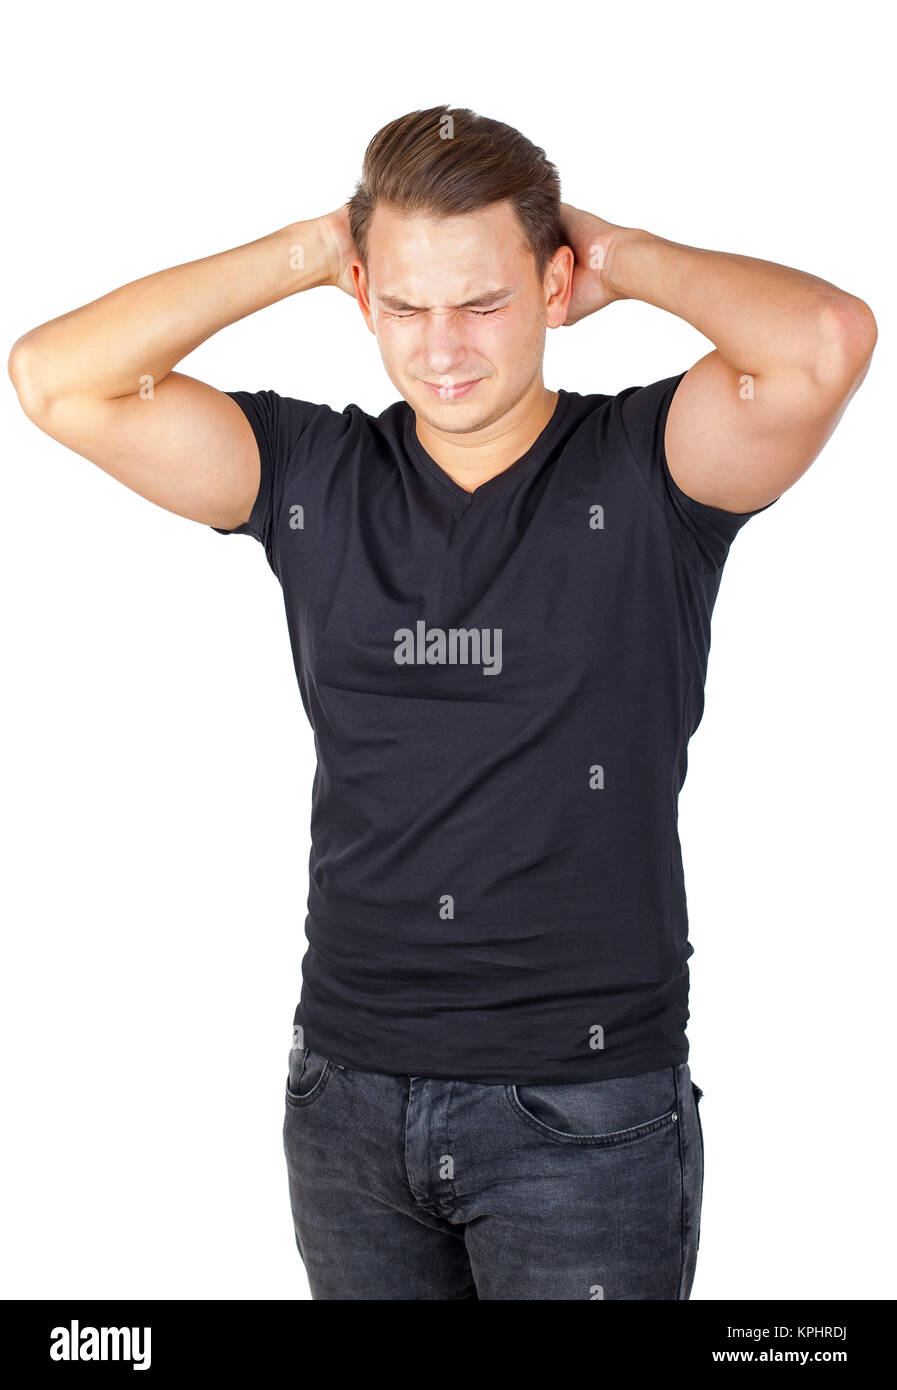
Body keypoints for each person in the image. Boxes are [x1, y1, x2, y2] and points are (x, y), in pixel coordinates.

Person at [7, 105, 877, 1301]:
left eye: (482, 301)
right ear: (364, 295)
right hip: (347, 1096)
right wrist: (318, 249)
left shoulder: (653, 467)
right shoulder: (310, 473)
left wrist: (618, 256)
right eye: (404, 305)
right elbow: (55, 380)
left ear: (553, 286)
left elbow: (826, 340)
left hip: (580, 1109)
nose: (442, 347)